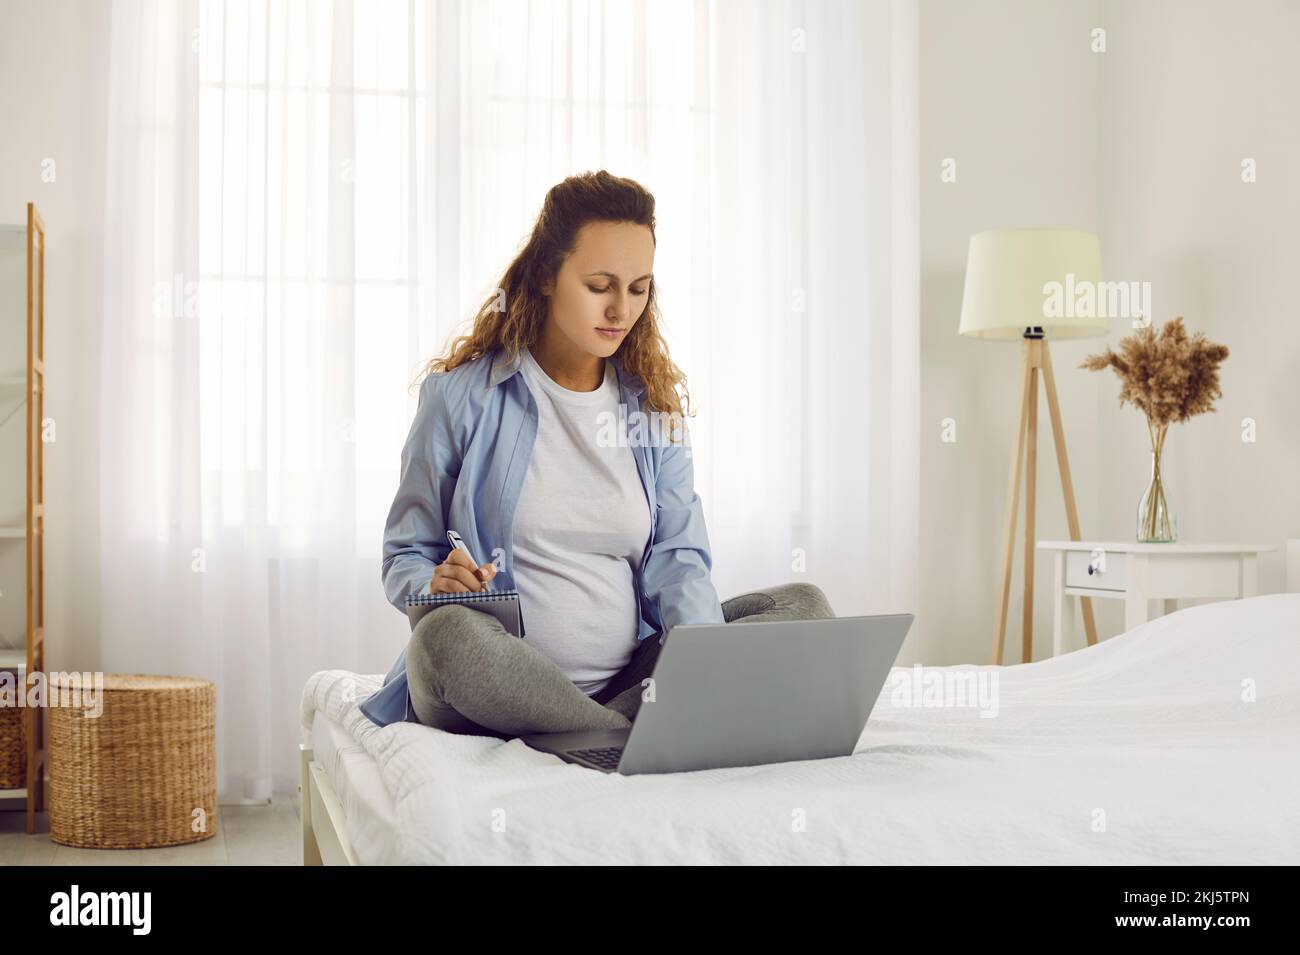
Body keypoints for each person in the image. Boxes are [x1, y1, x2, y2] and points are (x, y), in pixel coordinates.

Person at [359, 170, 834, 738]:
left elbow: (679, 557)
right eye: (599, 285)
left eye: (638, 289)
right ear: (544, 277)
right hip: (490, 680)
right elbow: (404, 554)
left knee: (801, 607)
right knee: (444, 638)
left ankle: (603, 728)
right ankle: (625, 734)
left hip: (627, 681)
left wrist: (704, 664)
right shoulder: (462, 398)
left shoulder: (651, 407)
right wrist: (433, 582)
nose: (620, 310)